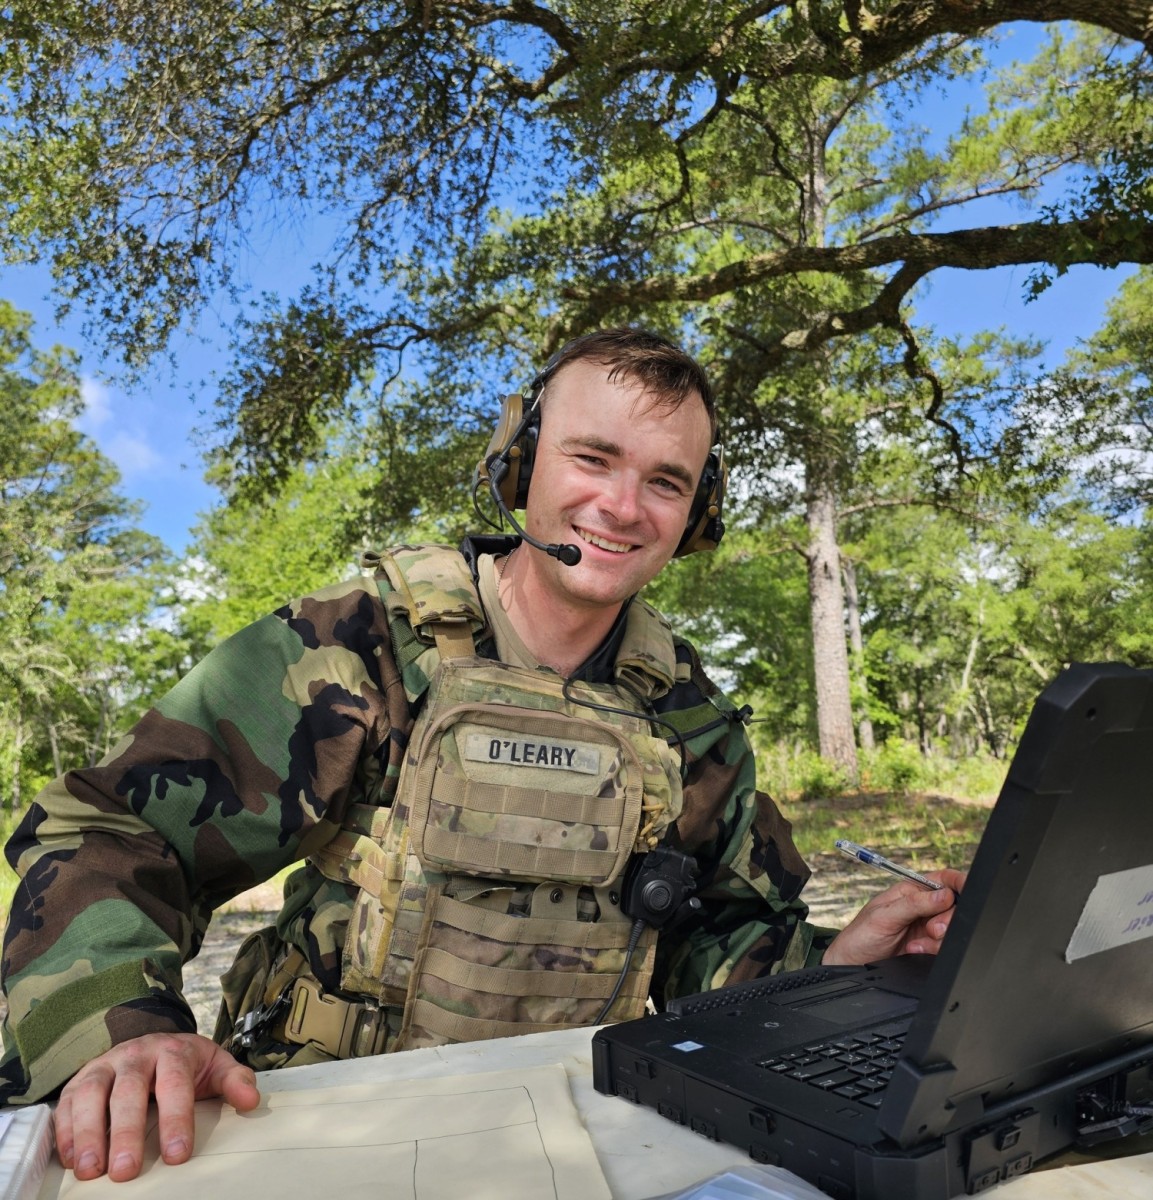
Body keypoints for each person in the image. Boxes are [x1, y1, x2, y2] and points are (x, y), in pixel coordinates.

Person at [0, 328, 964, 1183]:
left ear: (696, 510)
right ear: (521, 462)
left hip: (582, 1131)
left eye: (665, 480)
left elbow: (713, 943)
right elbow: (109, 828)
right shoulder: (359, 645)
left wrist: (837, 958)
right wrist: (118, 1032)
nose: (623, 506)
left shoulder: (690, 714)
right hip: (333, 1124)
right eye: (593, 458)